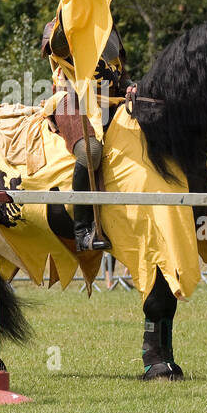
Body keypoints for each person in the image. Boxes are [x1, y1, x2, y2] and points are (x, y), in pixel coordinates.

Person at [40, 13, 131, 252]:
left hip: (110, 101)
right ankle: (82, 230)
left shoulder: (109, 29)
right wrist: (69, 15)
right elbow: (55, 47)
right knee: (91, 151)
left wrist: (130, 86)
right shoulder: (60, 24)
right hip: (72, 101)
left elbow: (119, 71)